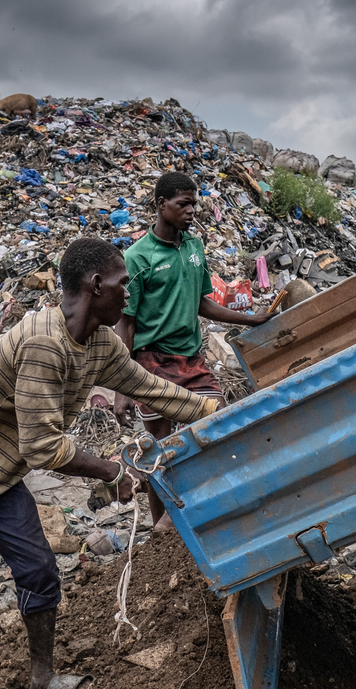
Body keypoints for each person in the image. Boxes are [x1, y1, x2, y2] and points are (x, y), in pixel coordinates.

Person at [0, 237, 220, 689]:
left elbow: (149, 386)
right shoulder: (45, 342)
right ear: (95, 285)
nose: (129, 294)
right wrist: (111, 472)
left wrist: (217, 412)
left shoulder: (99, 343)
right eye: (123, 283)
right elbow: (42, 446)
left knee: (39, 571)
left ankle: (42, 681)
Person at [113, 171, 273, 528]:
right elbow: (126, 324)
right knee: (157, 448)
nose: (191, 211)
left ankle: (208, 514)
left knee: (217, 425)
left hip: (191, 359)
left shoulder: (194, 247)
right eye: (183, 204)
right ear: (161, 205)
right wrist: (121, 388)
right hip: (151, 363)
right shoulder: (137, 257)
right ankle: (162, 530)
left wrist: (250, 319)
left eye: (194, 204)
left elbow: (203, 302)